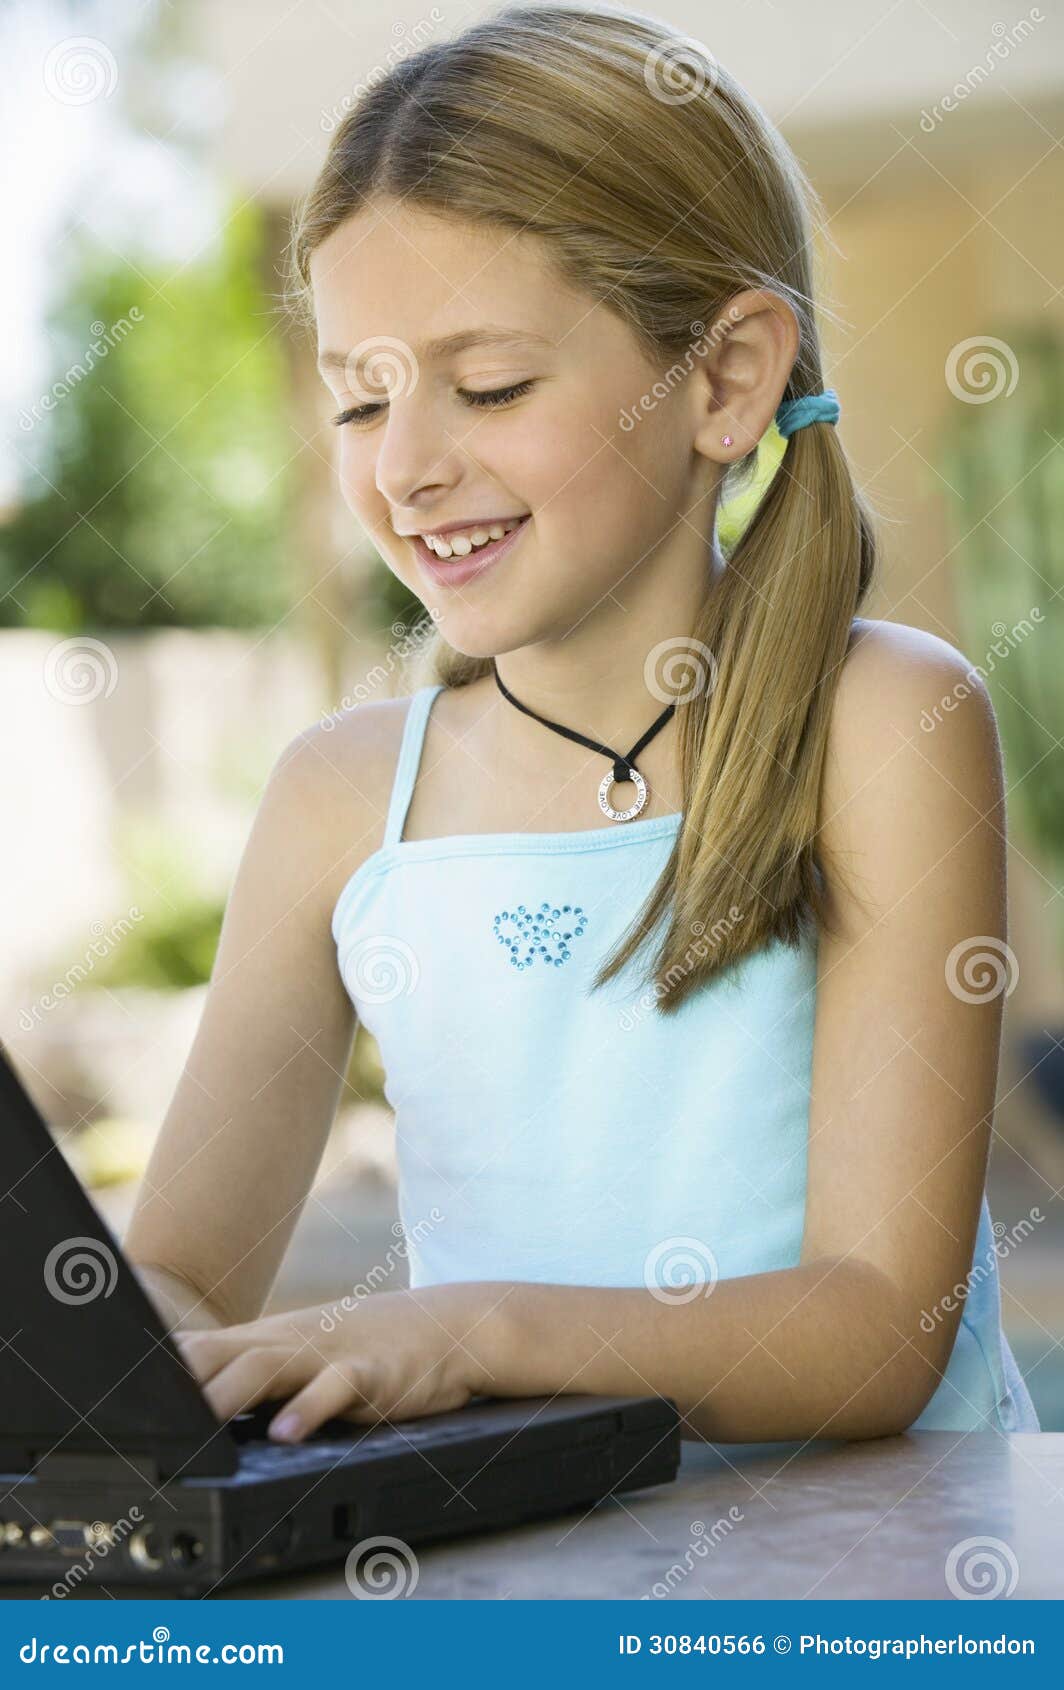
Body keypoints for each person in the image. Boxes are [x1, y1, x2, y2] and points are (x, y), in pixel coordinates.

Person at [125, 2, 1039, 1443]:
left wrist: (472, 1331)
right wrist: (124, 1350)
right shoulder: (338, 799)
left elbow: (876, 1327)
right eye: (362, 402)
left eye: (489, 384)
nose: (410, 467)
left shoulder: (886, 723)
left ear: (725, 380)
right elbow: (174, 1274)